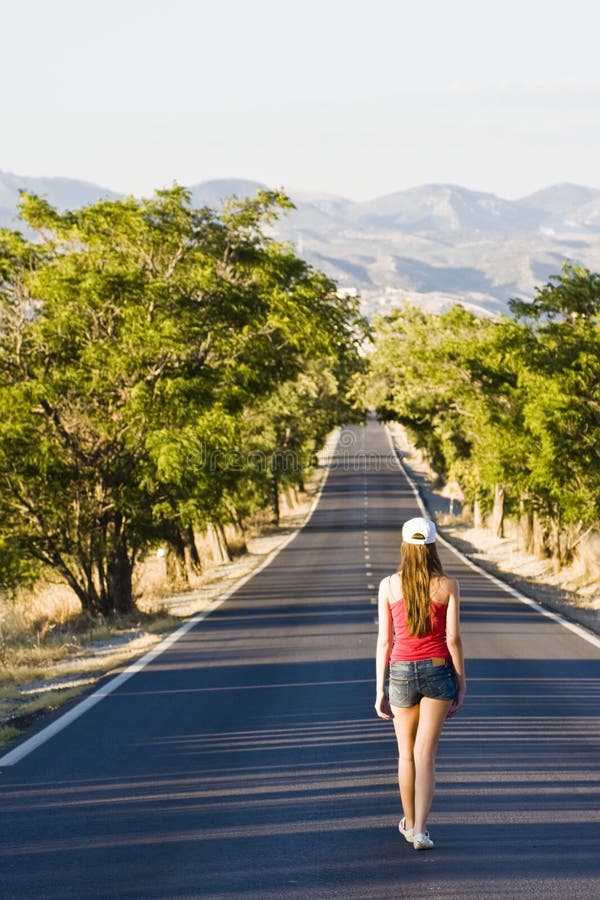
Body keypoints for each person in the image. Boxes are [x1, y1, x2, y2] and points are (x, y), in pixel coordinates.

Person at [374, 515, 466, 851]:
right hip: (438, 670)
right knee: (425, 755)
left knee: (405, 756)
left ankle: (409, 824)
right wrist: (461, 681)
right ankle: (421, 831)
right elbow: (453, 639)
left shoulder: (388, 585)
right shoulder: (447, 585)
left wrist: (379, 689)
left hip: (399, 671)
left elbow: (385, 641)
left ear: (404, 546)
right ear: (432, 546)